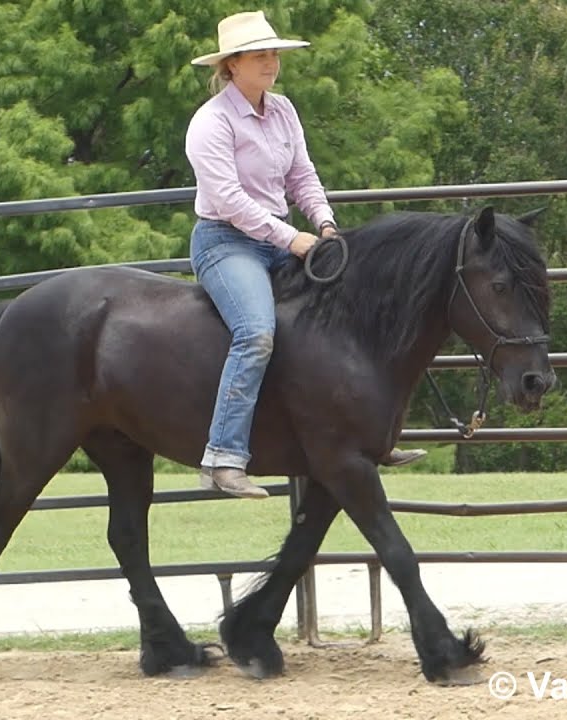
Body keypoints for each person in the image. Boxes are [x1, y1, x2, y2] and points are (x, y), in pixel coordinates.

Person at [185, 11, 425, 499]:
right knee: (255, 333)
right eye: (260, 55)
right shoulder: (210, 124)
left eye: (274, 53)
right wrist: (290, 238)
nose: (272, 62)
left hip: (280, 239)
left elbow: (302, 176)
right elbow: (229, 200)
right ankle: (223, 457)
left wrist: (325, 223)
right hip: (227, 242)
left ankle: (373, 436)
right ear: (231, 65)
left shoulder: (284, 111)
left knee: (359, 308)